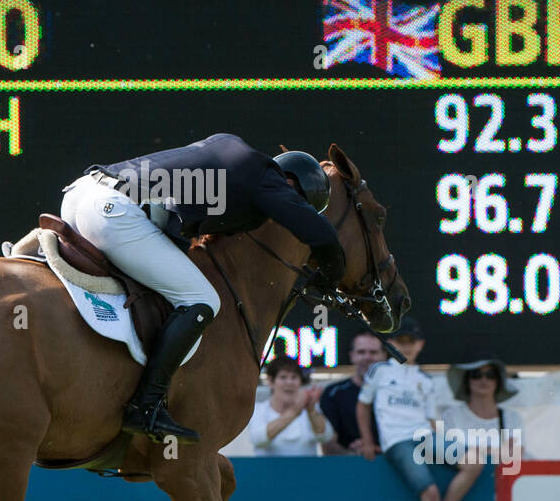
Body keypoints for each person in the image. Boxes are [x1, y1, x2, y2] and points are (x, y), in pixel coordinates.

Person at [61, 133, 346, 443]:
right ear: (291, 186)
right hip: (113, 213)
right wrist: (330, 276)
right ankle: (145, 408)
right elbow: (323, 237)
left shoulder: (228, 147)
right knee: (203, 299)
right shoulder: (267, 179)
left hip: (81, 193)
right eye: (293, 203)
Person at [355, 316, 470, 501]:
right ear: (391, 343)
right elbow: (363, 406)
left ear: (420, 345)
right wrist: (368, 440)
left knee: (473, 461)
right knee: (428, 491)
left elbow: (431, 420)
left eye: (411, 342)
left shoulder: (425, 379)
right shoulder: (379, 371)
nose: (406, 346)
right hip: (397, 440)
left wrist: (442, 442)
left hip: (425, 436)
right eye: (401, 341)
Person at [440, 350, 523, 501]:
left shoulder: (511, 417)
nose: (483, 380)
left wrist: (473, 452)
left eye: (490, 375)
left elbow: (516, 455)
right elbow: (449, 453)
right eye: (476, 374)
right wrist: (495, 452)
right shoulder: (451, 416)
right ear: (467, 380)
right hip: (461, 500)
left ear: (498, 381)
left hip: (499, 499)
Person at [318, 330, 387, 457]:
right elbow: (326, 442)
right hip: (345, 466)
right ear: (352, 356)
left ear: (384, 356)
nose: (367, 357)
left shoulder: (394, 392)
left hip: (392, 463)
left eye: (373, 352)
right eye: (361, 352)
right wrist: (351, 453)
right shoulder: (333, 393)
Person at [248, 354, 334, 455]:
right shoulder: (259, 409)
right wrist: (294, 411)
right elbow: (258, 439)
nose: (289, 382)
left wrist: (311, 410)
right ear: (271, 381)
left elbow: (326, 436)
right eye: (283, 377)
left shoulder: (311, 408)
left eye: (294, 377)